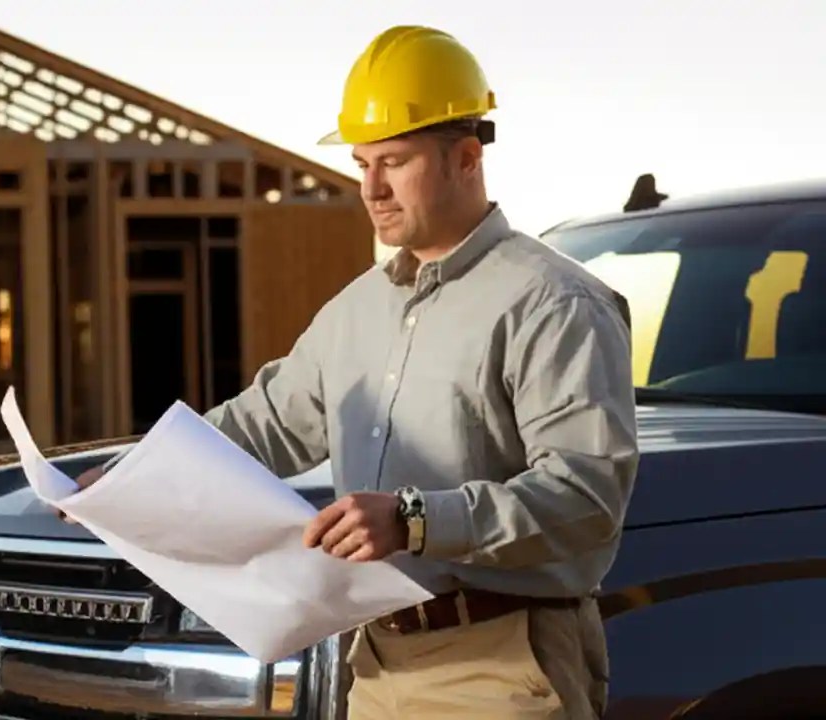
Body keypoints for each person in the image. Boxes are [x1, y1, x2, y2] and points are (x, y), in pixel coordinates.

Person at [69, 25, 638, 719]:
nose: (370, 187)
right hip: (370, 666)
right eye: (362, 162)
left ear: (465, 158)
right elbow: (266, 424)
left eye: (392, 161)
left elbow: (585, 498)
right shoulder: (357, 309)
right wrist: (134, 476)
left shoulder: (553, 303)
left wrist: (415, 520)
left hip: (500, 668)